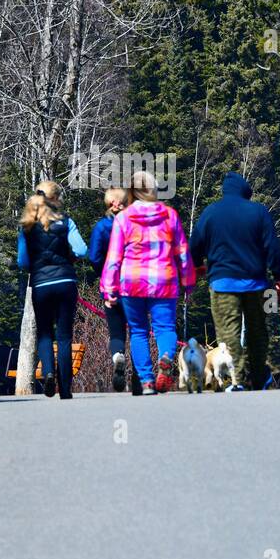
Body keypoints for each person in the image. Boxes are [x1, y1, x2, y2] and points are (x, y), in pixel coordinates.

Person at [100, 171, 196, 395]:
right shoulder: (170, 215)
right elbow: (182, 252)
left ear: (131, 192)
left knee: (139, 332)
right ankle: (166, 357)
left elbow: (114, 258)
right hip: (164, 280)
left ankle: (147, 381)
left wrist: (108, 288)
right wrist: (188, 281)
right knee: (165, 328)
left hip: (132, 282)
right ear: (154, 190)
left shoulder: (123, 218)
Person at [190, 172, 280, 390]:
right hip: (255, 283)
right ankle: (261, 376)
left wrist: (198, 265)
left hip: (223, 283)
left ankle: (238, 380)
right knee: (257, 332)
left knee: (228, 333)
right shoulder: (258, 211)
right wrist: (279, 276)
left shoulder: (211, 212)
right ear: (246, 192)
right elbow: (272, 247)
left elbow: (194, 244)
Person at [17, 180, 88, 399]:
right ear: (56, 199)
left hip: (41, 284)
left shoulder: (27, 226)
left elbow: (22, 261)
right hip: (66, 282)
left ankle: (48, 373)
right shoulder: (66, 222)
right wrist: (69, 258)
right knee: (65, 336)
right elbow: (82, 249)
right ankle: (65, 389)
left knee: (45, 333)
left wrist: (37, 266)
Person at [88, 186, 131, 392]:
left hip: (111, 285)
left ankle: (117, 355)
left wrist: (103, 272)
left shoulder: (102, 227)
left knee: (116, 331)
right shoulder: (134, 225)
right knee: (139, 331)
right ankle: (142, 379)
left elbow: (94, 257)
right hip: (135, 284)